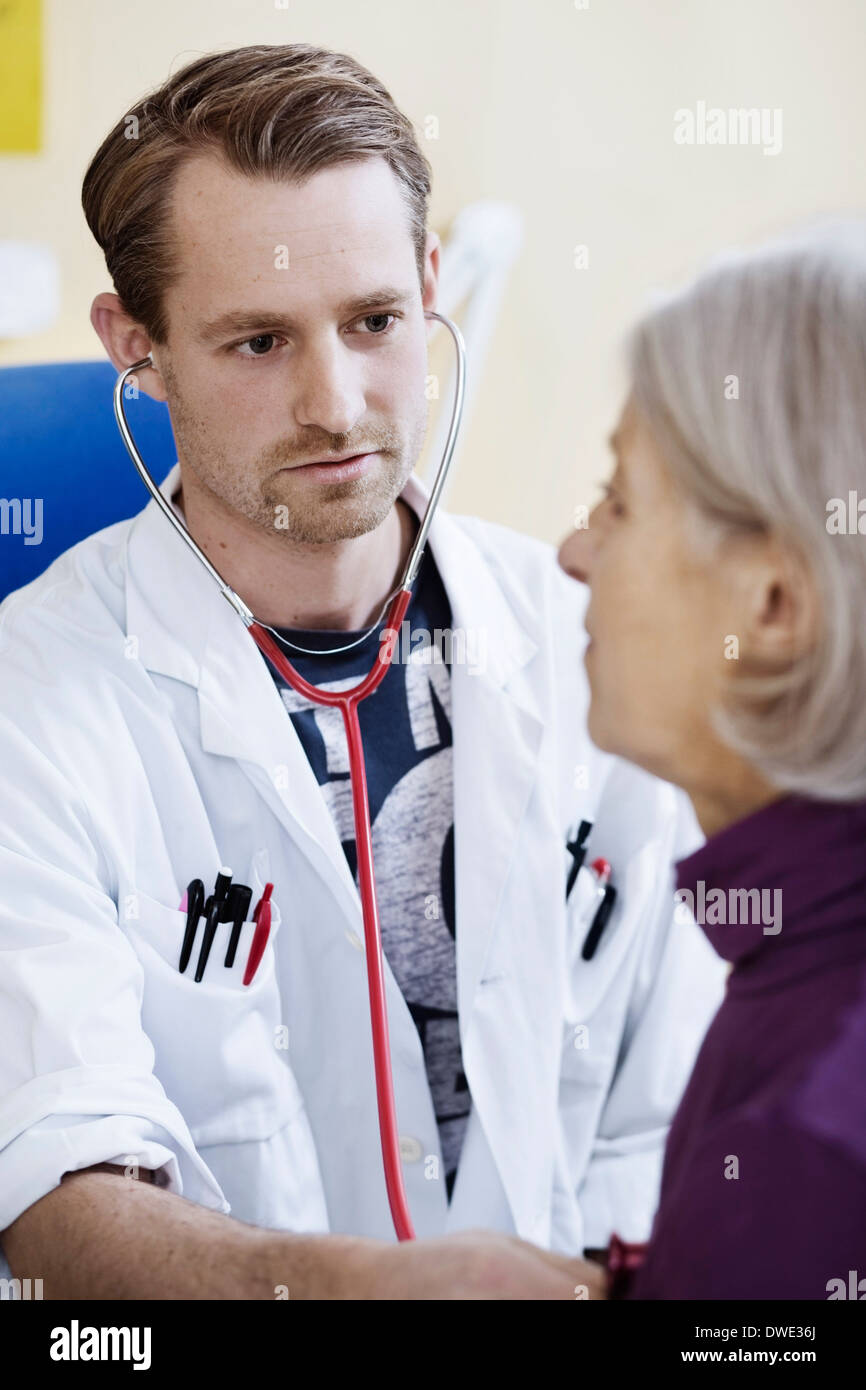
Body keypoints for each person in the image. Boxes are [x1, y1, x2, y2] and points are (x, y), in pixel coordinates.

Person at [0, 44, 723, 1300]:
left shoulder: (592, 637)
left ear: (431, 282)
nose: (336, 405)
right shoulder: (34, 703)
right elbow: (58, 1190)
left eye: (376, 322)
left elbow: (684, 1107)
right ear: (137, 348)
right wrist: (350, 1295)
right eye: (257, 342)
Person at [558, 221, 866, 1299]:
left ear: (772, 605)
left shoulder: (806, 1147)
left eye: (622, 501)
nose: (572, 549)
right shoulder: (794, 956)